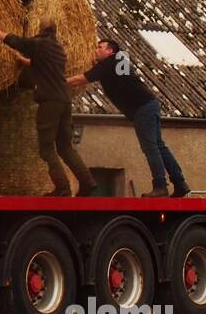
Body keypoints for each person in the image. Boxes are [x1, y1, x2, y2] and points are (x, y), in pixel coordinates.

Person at [0, 16, 96, 197]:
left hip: (50, 102)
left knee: (46, 148)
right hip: (64, 101)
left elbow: (16, 41)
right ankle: (87, 181)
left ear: (41, 28)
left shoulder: (39, 44)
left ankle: (62, 187)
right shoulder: (58, 49)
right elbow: (44, 64)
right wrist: (23, 61)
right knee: (65, 147)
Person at [67, 38, 190, 198]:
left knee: (151, 148)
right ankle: (180, 183)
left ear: (110, 51)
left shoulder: (111, 62)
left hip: (142, 109)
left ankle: (160, 186)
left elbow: (80, 79)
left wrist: (55, 82)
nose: (95, 50)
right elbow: (119, 79)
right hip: (148, 105)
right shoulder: (118, 61)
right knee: (159, 146)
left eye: (99, 47)